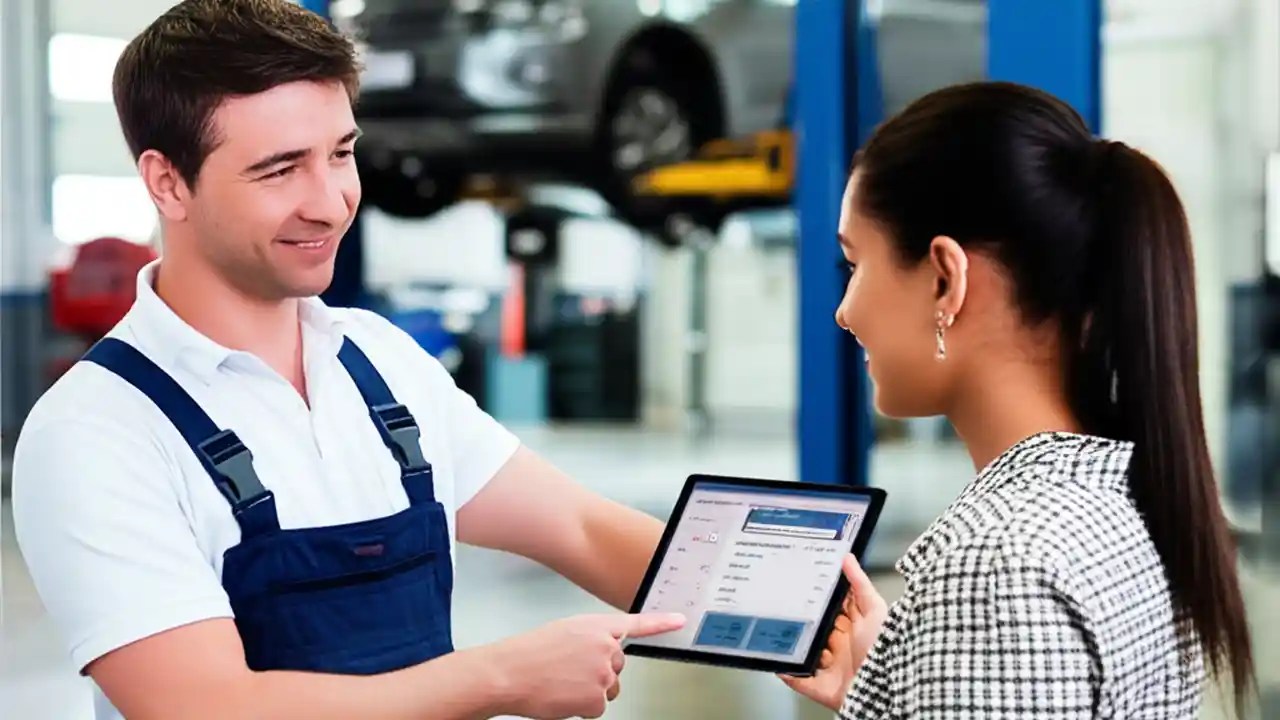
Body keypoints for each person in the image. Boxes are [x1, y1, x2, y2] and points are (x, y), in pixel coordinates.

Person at [10, 2, 695, 719]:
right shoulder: (97, 429)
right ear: (167, 182)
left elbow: (579, 527)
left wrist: (799, 616)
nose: (332, 203)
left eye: (340, 153)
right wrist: (500, 678)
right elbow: (205, 707)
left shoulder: (378, 362)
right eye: (280, 170)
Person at [783, 82, 1256, 718]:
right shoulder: (1132, 498)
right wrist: (889, 690)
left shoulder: (994, 566)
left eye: (854, 264)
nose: (845, 312)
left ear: (945, 279)